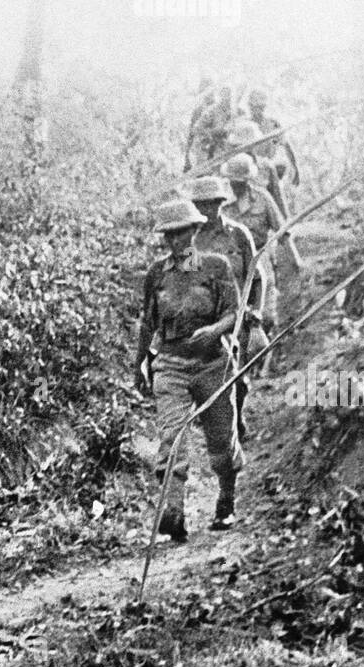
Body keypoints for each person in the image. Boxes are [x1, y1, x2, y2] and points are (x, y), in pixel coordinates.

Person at [135, 197, 243, 541]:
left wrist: (213, 331)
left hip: (213, 364)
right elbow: (147, 323)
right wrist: (140, 362)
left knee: (221, 442)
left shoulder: (216, 267)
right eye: (169, 236)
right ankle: (174, 512)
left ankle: (226, 501)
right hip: (170, 364)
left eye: (181, 234)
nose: (174, 242)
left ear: (195, 231)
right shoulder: (156, 274)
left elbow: (233, 313)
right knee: (172, 439)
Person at [190, 175, 266, 443]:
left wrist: (256, 316)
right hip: (210, 319)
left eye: (212, 204)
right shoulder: (192, 241)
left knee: (240, 377)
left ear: (221, 204)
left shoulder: (238, 235)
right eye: (201, 205)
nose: (207, 210)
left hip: (240, 317)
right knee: (212, 375)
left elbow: (257, 277)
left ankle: (237, 418)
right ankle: (219, 427)